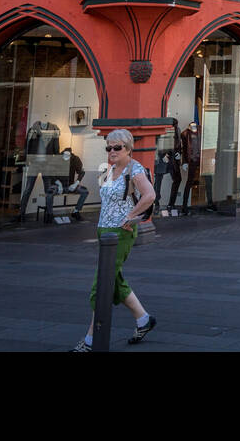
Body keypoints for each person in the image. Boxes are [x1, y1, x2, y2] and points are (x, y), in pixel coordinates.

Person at [71, 130, 156, 351]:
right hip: (105, 231)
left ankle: (90, 340)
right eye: (108, 147)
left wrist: (129, 216)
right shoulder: (111, 169)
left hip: (120, 233)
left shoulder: (134, 169)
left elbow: (150, 196)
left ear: (128, 148)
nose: (112, 151)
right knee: (115, 279)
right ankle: (143, 319)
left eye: (117, 147)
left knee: (101, 284)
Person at [47, 146, 89, 222]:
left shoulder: (75, 159)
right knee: (49, 193)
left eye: (68, 155)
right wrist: (59, 184)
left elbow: (81, 172)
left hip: (70, 185)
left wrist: (75, 184)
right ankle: (49, 214)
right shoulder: (57, 159)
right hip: (57, 186)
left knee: (85, 191)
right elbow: (51, 173)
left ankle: (76, 211)